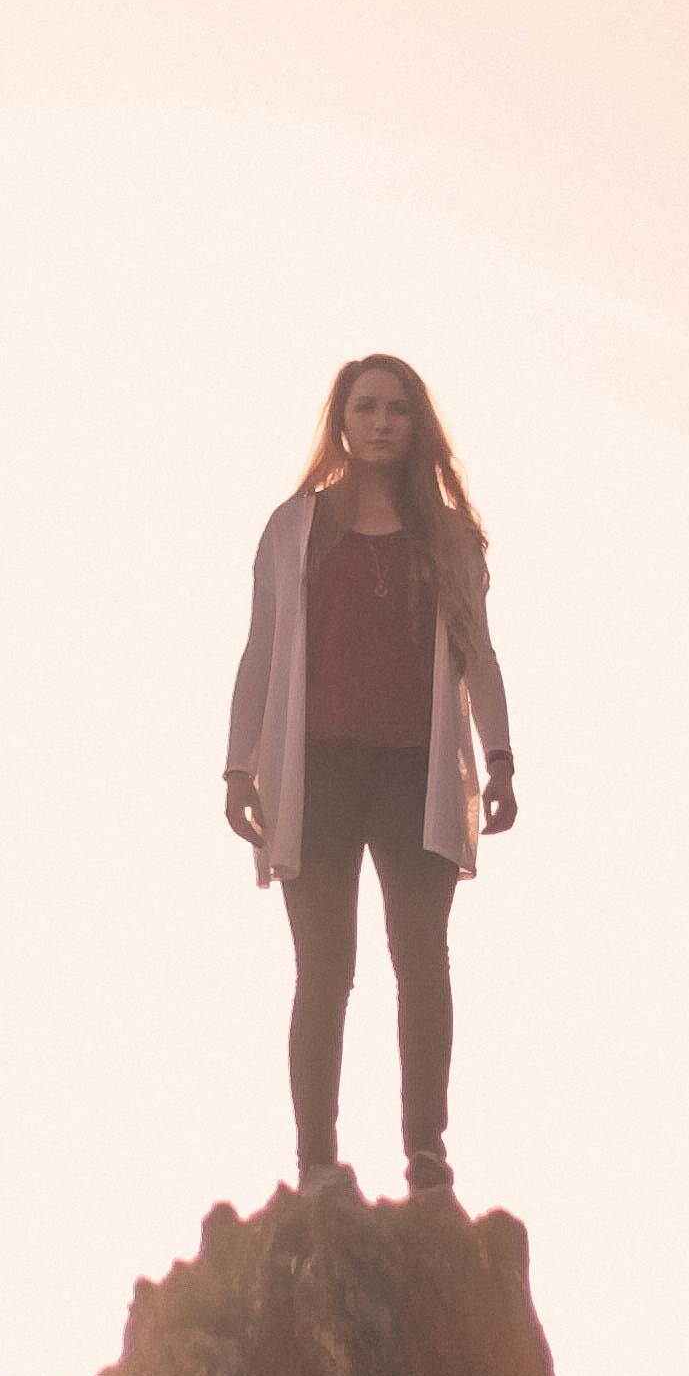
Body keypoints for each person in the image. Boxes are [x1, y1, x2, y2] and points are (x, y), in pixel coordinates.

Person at [223, 352, 519, 1200]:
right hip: (315, 771)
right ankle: (316, 1161)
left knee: (421, 959)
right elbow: (260, 649)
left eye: (396, 408)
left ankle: (426, 1155)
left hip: (414, 772)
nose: (381, 422)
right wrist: (239, 764)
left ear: (417, 422)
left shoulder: (450, 539)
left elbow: (480, 658)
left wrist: (498, 759)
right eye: (366, 408)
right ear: (342, 421)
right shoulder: (295, 529)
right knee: (324, 968)